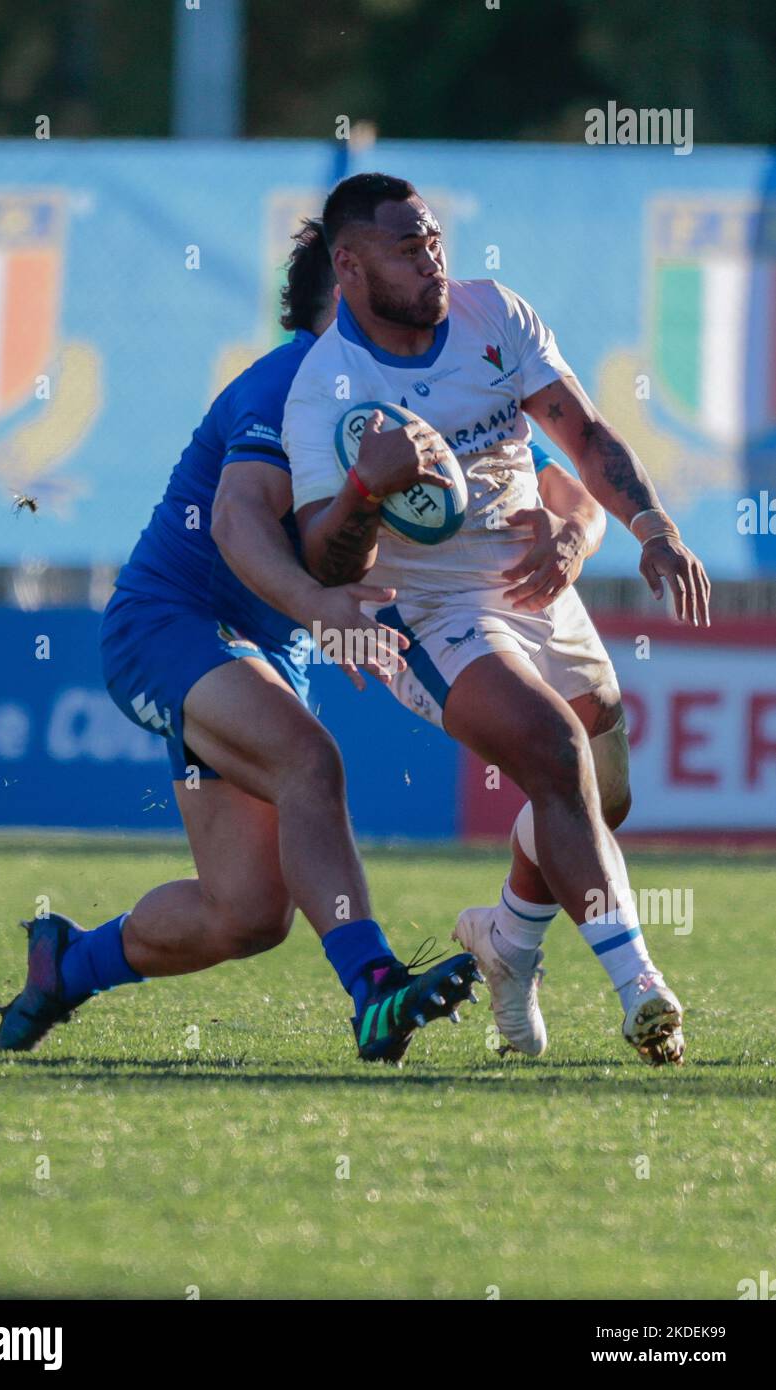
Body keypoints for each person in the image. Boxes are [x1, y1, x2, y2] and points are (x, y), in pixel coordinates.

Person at [0, 219, 480, 1065]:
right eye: (401, 259)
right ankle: (373, 989)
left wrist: (568, 527)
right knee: (307, 760)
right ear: (345, 283)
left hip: (259, 648)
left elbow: (539, 461)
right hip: (168, 624)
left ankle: (66, 966)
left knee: (246, 914)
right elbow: (235, 522)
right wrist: (323, 607)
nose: (428, 285)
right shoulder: (289, 381)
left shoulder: (400, 393)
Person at [282, 173, 712, 1066]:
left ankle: (507, 942)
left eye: (434, 238)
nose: (432, 259)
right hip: (429, 615)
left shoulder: (494, 315)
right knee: (554, 752)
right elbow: (324, 559)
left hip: (536, 590)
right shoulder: (325, 389)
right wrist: (368, 485)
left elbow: (583, 435)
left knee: (604, 792)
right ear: (351, 265)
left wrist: (647, 526)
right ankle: (641, 989)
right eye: (409, 248)